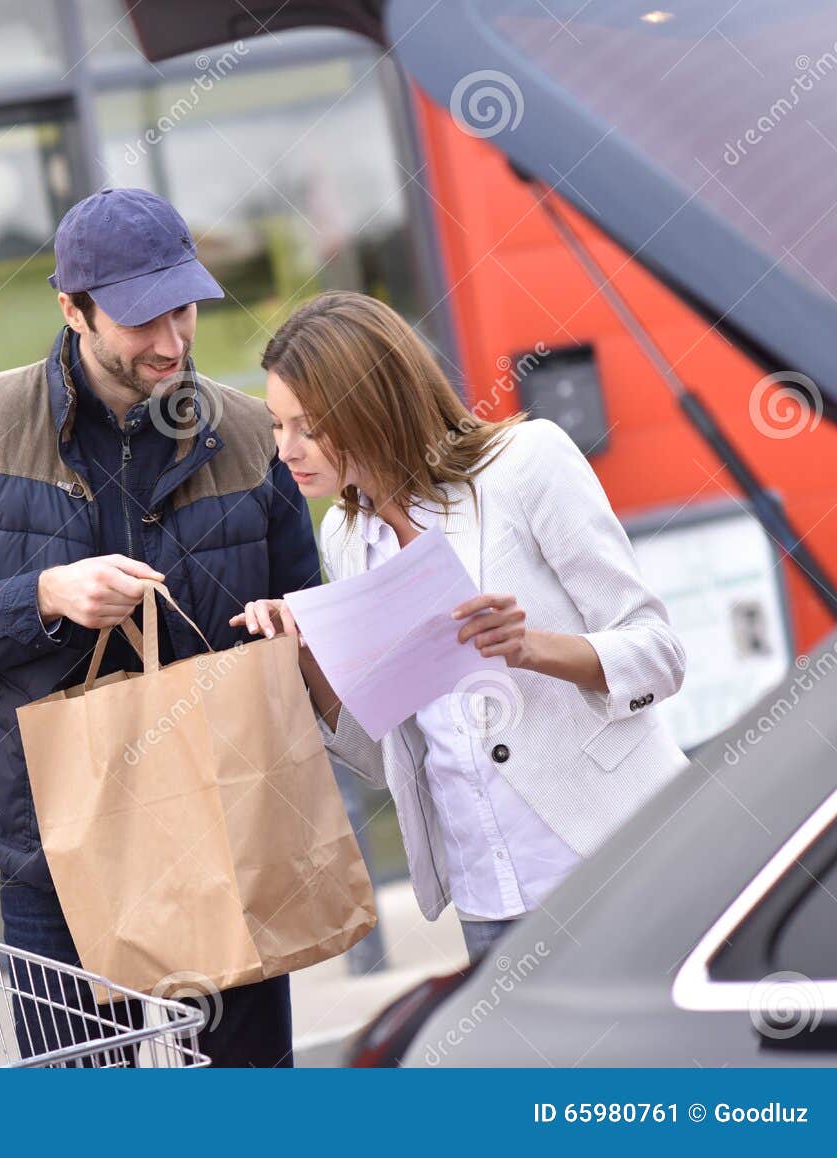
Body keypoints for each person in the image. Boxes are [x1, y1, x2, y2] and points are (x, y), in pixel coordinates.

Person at [0, 188, 319, 1066]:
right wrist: (44, 594)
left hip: (222, 830)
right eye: (138, 319)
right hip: (57, 847)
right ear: (70, 310)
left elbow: (311, 624)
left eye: (185, 309)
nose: (170, 342)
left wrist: (293, 628)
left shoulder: (247, 435)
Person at [234, 291, 689, 966]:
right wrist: (305, 658)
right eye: (277, 426)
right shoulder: (344, 536)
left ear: (372, 402)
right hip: (487, 894)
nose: (287, 450)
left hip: (609, 855)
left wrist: (531, 648)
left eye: (308, 426)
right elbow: (388, 753)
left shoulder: (526, 464)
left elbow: (659, 653)